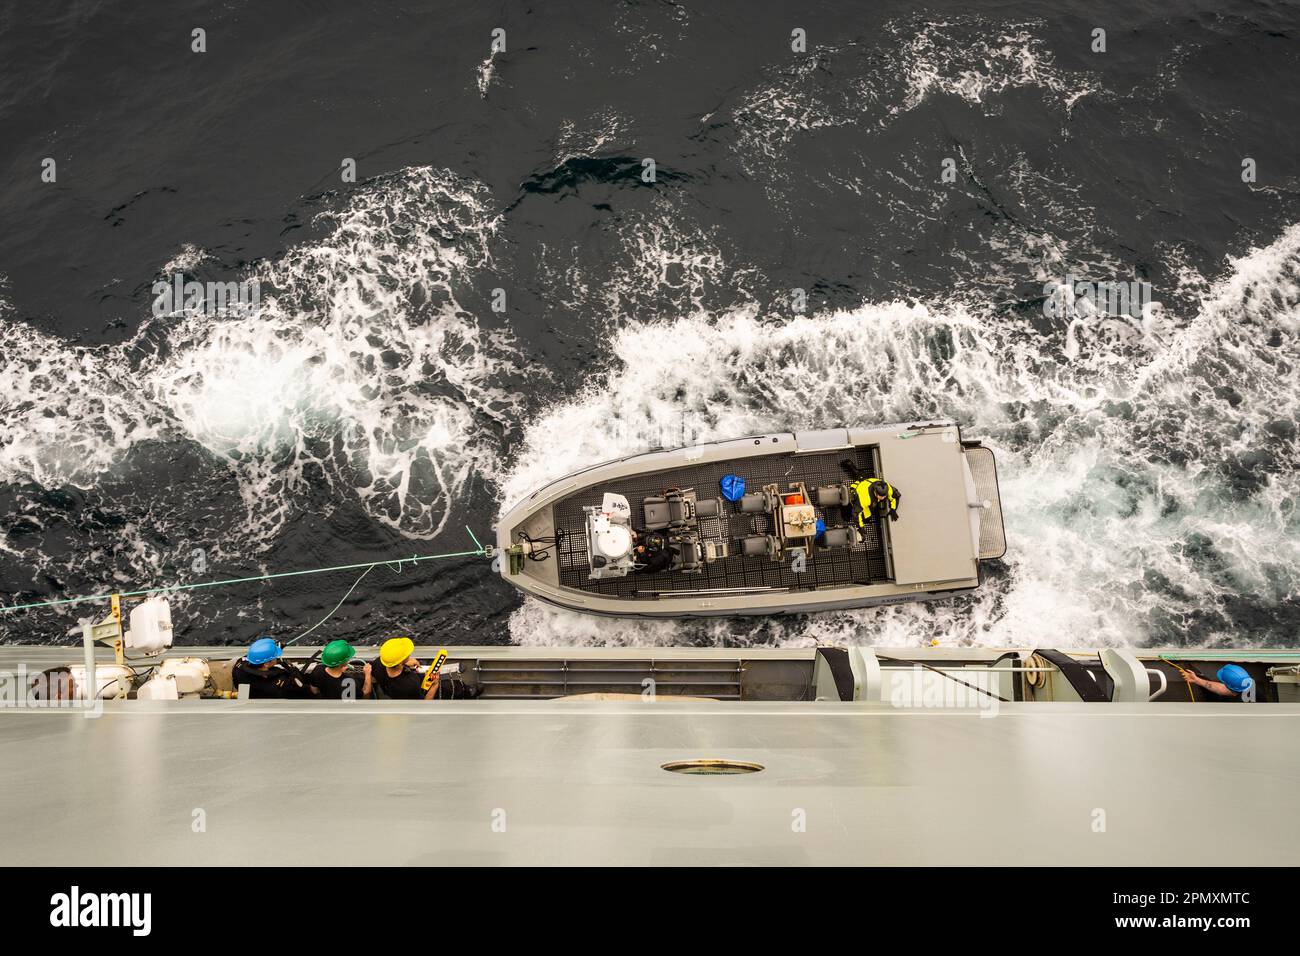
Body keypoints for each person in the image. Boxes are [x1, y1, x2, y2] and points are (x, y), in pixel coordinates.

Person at [371, 636, 480, 700]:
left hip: (395, 692)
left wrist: (405, 663)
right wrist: (435, 685)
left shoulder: (378, 664)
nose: (409, 654)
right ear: (399, 661)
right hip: (420, 691)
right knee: (449, 687)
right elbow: (423, 704)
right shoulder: (410, 685)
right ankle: (468, 692)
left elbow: (379, 677)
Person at [231, 637, 312, 699]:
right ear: (266, 664)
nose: (277, 657)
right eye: (275, 657)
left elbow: (255, 655)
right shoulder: (282, 682)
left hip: (251, 693)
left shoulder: (239, 666)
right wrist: (289, 666)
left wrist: (275, 648)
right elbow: (303, 689)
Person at [304, 640, 372, 700]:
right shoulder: (350, 682)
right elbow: (366, 694)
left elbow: (314, 691)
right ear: (344, 663)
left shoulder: (317, 670)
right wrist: (368, 673)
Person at [1182, 663, 1255, 700]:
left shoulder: (1234, 703)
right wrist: (1197, 680)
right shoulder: (1251, 686)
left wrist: (1196, 680)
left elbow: (1222, 689)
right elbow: (1221, 689)